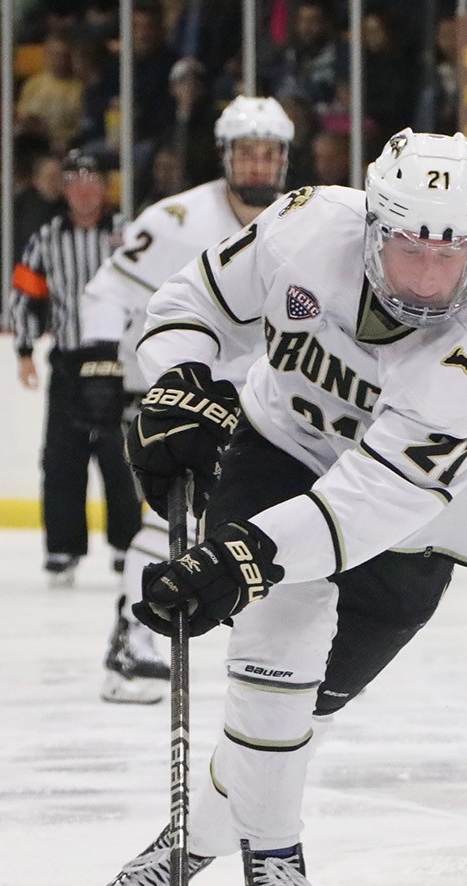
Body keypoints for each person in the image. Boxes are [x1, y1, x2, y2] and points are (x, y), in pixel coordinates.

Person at [82, 129, 467, 886]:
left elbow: (359, 507)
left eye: (452, 253)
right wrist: (180, 376)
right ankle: (275, 854)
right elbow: (192, 301)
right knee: (274, 668)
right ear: (372, 228)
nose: (430, 281)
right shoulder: (306, 225)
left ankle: (182, 846)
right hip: (275, 451)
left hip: (411, 531)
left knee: (293, 716)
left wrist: (240, 557)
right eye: (409, 250)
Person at [78, 96, 296, 704]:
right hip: (188, 393)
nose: (258, 167)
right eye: (246, 154)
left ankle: (273, 658)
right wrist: (99, 364)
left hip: (266, 402)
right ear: (225, 155)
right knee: (175, 515)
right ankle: (132, 638)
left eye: (269, 154)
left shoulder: (302, 221)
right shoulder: (175, 220)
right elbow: (105, 293)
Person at [7, 150, 133, 589]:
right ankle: (61, 548)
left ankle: (127, 545)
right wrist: (24, 349)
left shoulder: (127, 235)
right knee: (62, 458)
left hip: (120, 361)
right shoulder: (45, 239)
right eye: (74, 180)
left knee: (122, 458)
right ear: (63, 189)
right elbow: (26, 294)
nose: (83, 188)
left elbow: (154, 290)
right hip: (68, 361)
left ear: (104, 186)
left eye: (91, 178)